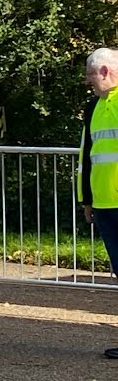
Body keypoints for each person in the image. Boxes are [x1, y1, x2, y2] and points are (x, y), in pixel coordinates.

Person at [78, 47, 118, 359]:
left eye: (91, 75)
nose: (88, 81)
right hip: (105, 205)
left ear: (105, 71)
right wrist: (87, 200)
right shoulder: (94, 106)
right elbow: (87, 155)